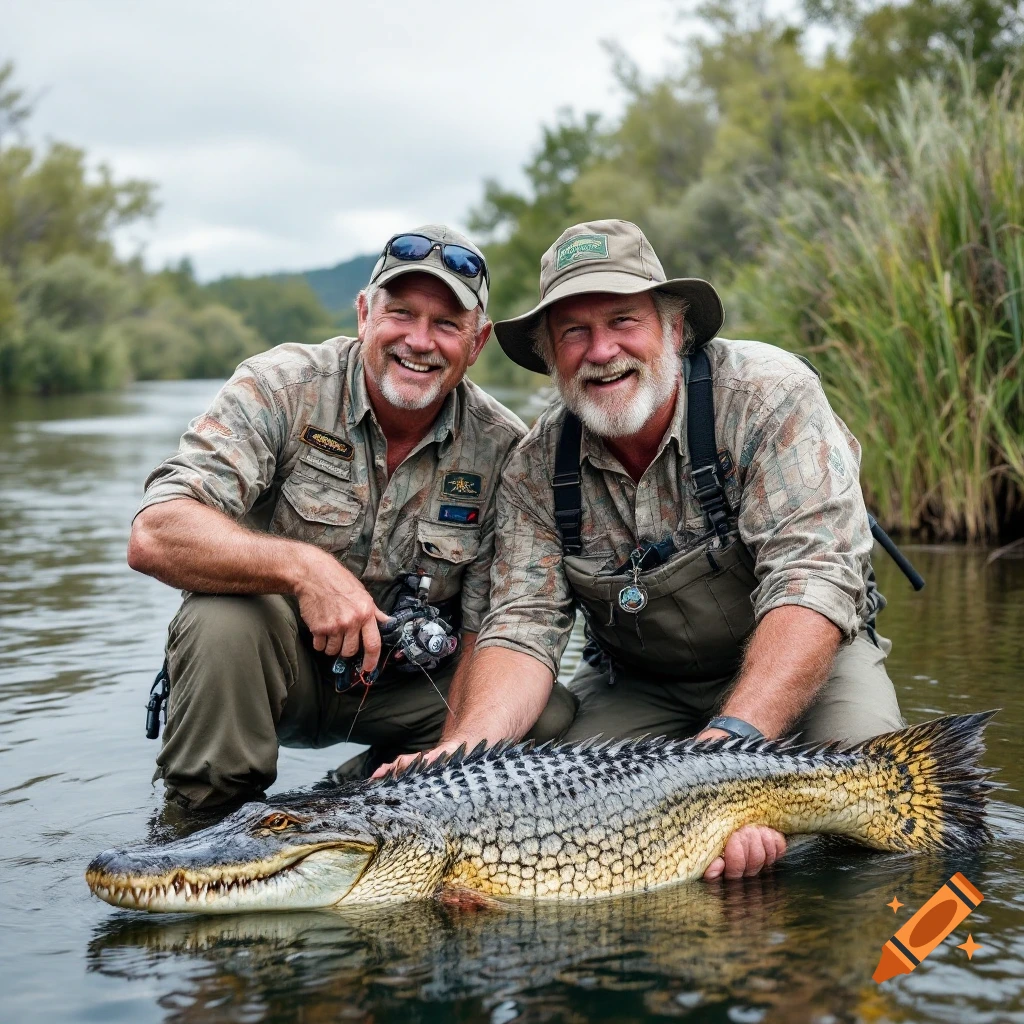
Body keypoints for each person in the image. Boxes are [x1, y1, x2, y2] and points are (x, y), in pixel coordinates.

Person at [385, 219, 904, 881]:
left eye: (624, 320)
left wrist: (733, 755)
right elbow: (520, 630)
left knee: (878, 813)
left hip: (810, 663)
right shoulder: (533, 468)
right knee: (540, 823)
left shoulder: (768, 398)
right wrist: (456, 759)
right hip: (639, 686)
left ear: (674, 329)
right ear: (549, 354)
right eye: (574, 331)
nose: (602, 350)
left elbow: (814, 582)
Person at [128, 224, 575, 810]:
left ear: (477, 342)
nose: (419, 340)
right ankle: (201, 823)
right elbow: (155, 532)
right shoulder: (281, 387)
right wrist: (304, 570)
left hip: (406, 687)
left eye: (446, 324)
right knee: (221, 617)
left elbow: (483, 631)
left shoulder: (504, 449)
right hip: (273, 673)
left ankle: (370, 799)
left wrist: (453, 764)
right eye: (401, 313)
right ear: (364, 313)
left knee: (546, 715)